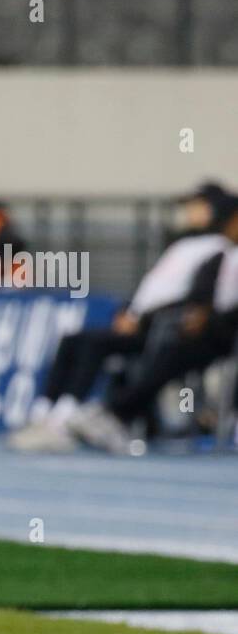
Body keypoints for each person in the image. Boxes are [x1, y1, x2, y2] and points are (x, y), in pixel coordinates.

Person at [11, 184, 233, 453]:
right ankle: (45, 413)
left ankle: (66, 420)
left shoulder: (218, 249)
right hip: (145, 322)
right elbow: (154, 288)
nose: (188, 212)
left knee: (98, 346)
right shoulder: (185, 244)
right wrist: (128, 311)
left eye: (195, 207)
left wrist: (143, 319)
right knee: (74, 340)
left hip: (163, 329)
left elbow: (198, 298)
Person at [69, 193, 238, 454]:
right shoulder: (216, 254)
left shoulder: (217, 251)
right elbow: (193, 295)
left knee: (170, 352)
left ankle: (115, 413)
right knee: (164, 349)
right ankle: (109, 415)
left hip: (223, 335)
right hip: (196, 332)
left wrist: (208, 319)